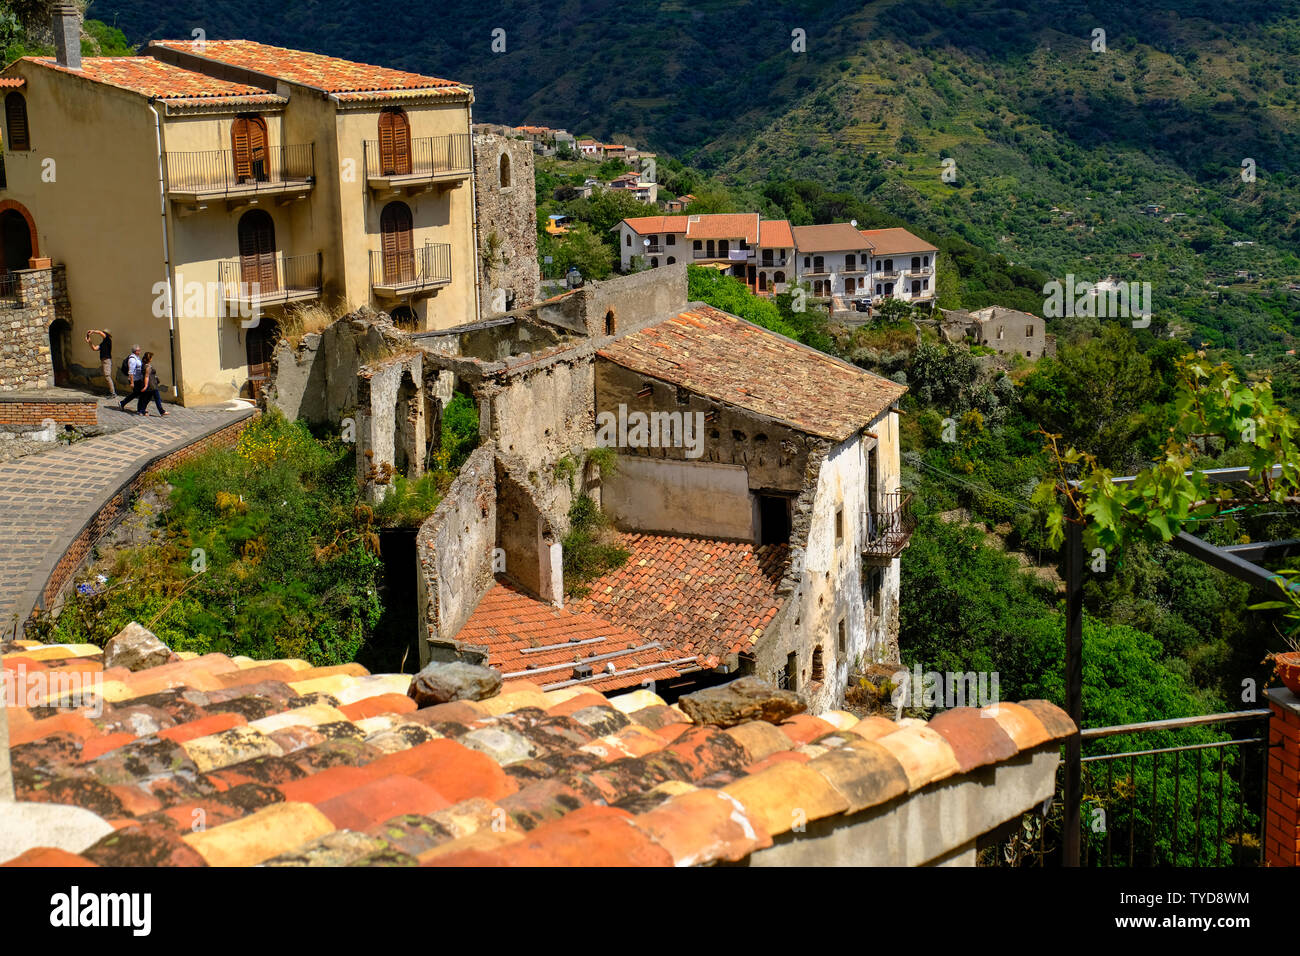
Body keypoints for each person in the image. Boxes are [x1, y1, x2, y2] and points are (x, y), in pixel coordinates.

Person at [85, 328, 116, 399]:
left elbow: (99, 333)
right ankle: (111, 391)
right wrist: (90, 342)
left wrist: (92, 331)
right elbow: (94, 348)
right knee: (106, 376)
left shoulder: (108, 340)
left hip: (106, 360)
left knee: (107, 376)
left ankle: (113, 393)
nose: (102, 333)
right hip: (104, 361)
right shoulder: (102, 343)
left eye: (104, 333)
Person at [134, 351, 167, 416]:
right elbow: (146, 377)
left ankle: (142, 410)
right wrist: (146, 386)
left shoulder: (144, 365)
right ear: (150, 359)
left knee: (146, 398)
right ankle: (161, 411)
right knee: (155, 398)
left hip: (152, 384)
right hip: (151, 385)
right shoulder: (147, 367)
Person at [118, 345, 143, 412]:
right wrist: (132, 383)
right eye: (139, 350)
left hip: (138, 379)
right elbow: (131, 372)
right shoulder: (132, 359)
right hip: (134, 380)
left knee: (137, 393)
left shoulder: (137, 357)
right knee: (139, 393)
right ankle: (140, 409)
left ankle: (123, 403)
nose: (140, 351)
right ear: (135, 351)